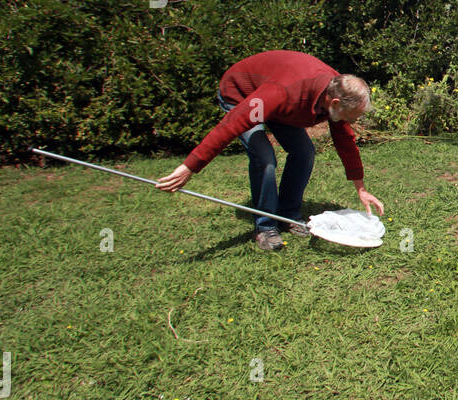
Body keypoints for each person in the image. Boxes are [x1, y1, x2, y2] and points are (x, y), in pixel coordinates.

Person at [156, 50, 384, 251]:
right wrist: (190, 167)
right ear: (334, 103)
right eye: (353, 115)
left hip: (279, 108)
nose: (355, 121)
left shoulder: (337, 92)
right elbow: (232, 124)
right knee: (265, 158)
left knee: (304, 152)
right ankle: (265, 226)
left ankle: (287, 214)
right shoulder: (282, 92)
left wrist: (361, 188)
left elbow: (345, 140)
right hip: (242, 96)